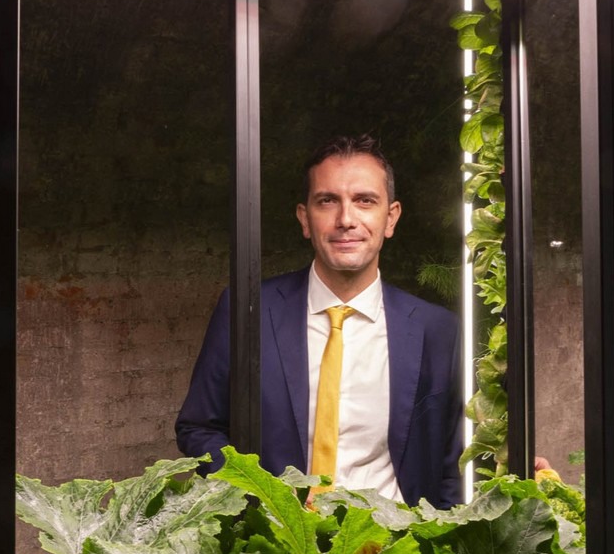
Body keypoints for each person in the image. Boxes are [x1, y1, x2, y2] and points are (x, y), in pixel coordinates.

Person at [175, 135, 463, 509]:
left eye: (365, 201)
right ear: (305, 218)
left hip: (397, 548)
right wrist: (267, 496)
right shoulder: (247, 312)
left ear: (390, 218)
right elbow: (199, 429)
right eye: (328, 201)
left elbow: (452, 463)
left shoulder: (437, 330)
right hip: (279, 546)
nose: (346, 219)